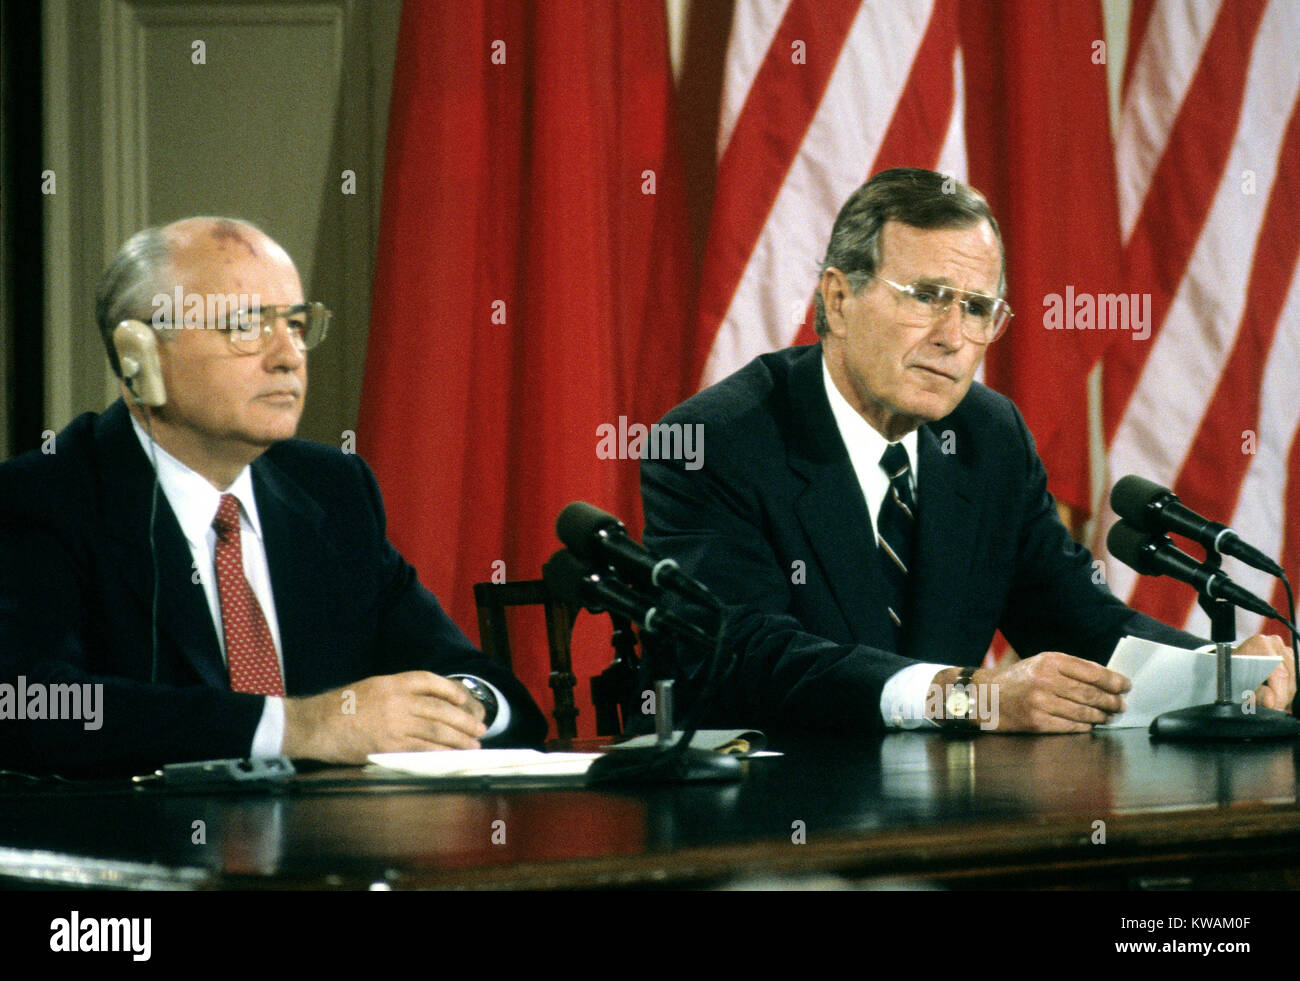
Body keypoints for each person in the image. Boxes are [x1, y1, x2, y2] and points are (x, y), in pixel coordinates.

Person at [641, 168, 1293, 733]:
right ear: (839, 300)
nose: (953, 336)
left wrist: (1220, 674)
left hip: (948, 814)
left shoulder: (988, 438)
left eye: (977, 308)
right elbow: (743, 655)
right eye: (925, 297)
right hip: (775, 819)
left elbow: (1074, 615)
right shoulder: (716, 443)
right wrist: (967, 697)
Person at [0, 217, 546, 775]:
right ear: (140, 353)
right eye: (246, 326)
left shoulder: (333, 491)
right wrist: (295, 727)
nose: (289, 357)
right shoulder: (42, 496)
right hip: (143, 851)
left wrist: (460, 707)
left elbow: (492, 689)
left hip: (330, 850)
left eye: (296, 324)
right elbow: (27, 705)